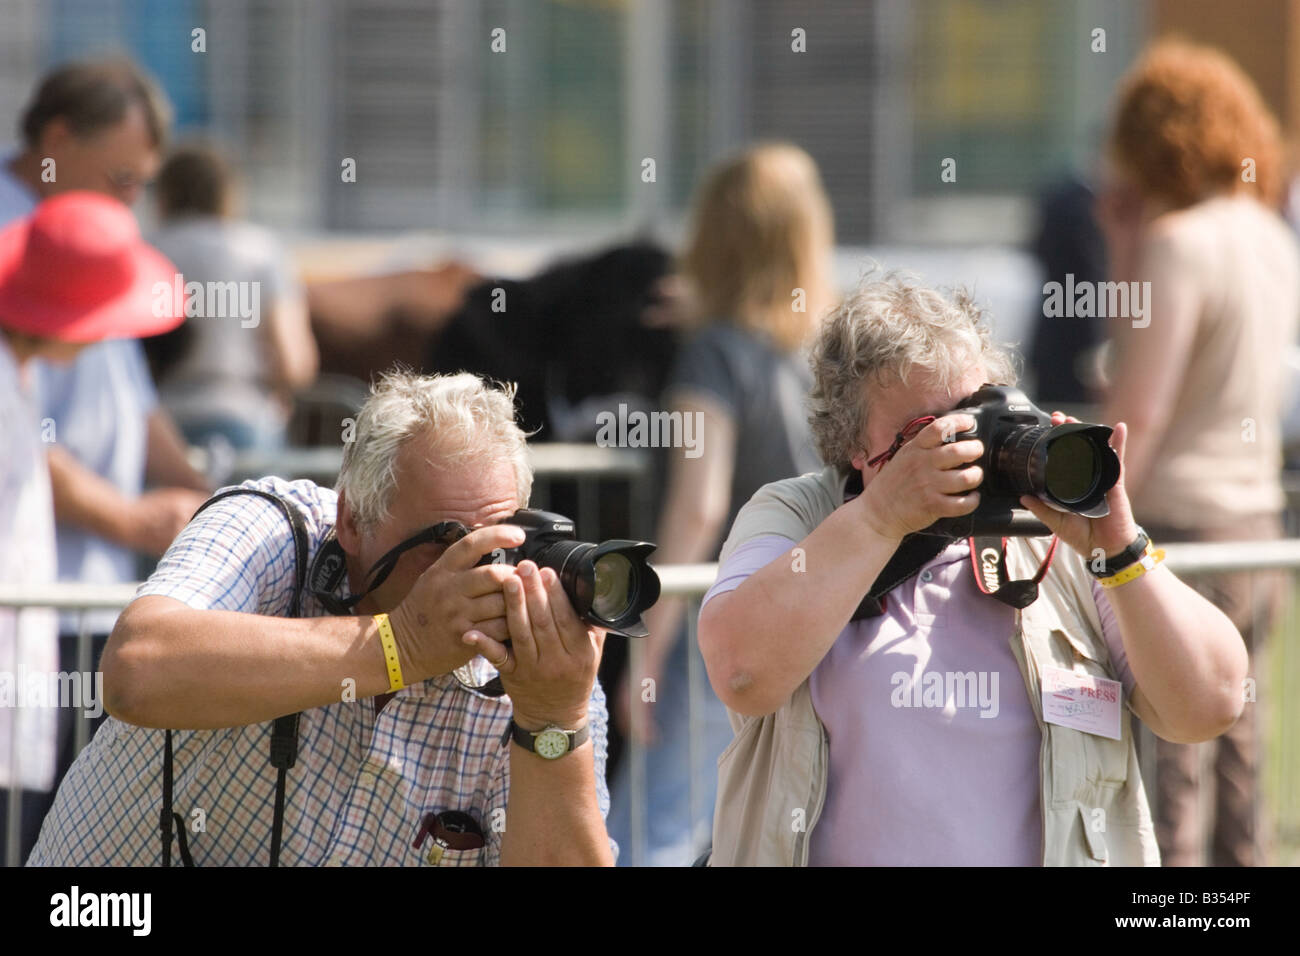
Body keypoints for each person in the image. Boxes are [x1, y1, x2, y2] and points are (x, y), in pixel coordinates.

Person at [698, 271, 1249, 866]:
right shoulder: (799, 516)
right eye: (926, 435)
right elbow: (741, 674)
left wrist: (1118, 548)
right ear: (856, 447)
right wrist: (881, 518)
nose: (962, 449)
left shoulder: (1055, 538)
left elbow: (1210, 704)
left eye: (974, 416)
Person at [28, 370, 615, 866]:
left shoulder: (543, 662)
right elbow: (135, 671)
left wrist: (549, 722)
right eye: (447, 543)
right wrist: (401, 646)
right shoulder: (271, 527)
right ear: (352, 522)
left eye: (498, 545)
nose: (480, 576)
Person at [1096, 39, 1300, 867]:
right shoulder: (1268, 233)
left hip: (1179, 531)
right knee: (1240, 762)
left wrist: (1092, 526)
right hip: (1256, 523)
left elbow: (1137, 407)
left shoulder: (1179, 241)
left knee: (1170, 769)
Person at [0, 58, 210, 857]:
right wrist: (131, 516)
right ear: (57, 138)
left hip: (69, 609)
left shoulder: (78, 233)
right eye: (120, 175)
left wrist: (197, 493)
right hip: (44, 614)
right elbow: (27, 453)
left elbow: (128, 399)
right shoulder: (46, 239)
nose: (130, 199)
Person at [607, 142, 834, 866]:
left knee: (653, 835)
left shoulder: (713, 355)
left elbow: (700, 508)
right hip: (824, 619)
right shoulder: (827, 349)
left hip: (725, 616)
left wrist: (650, 644)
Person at [147, 143, 318, 452]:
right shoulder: (262, 250)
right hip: (244, 415)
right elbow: (294, 363)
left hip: (160, 425)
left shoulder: (145, 250)